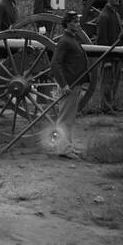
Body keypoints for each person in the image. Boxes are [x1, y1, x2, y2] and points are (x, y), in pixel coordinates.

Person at [49, 12, 93, 156]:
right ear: (67, 24)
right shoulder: (65, 41)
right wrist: (63, 84)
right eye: (75, 22)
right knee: (65, 119)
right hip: (69, 85)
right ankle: (63, 149)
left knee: (68, 118)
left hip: (74, 84)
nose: (77, 24)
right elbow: (55, 64)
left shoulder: (72, 39)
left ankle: (66, 146)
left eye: (78, 21)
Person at [94, 0, 123, 112]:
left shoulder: (115, 13)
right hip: (109, 54)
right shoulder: (104, 16)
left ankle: (111, 104)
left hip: (117, 52)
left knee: (114, 81)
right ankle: (105, 107)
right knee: (106, 82)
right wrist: (106, 59)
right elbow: (102, 39)